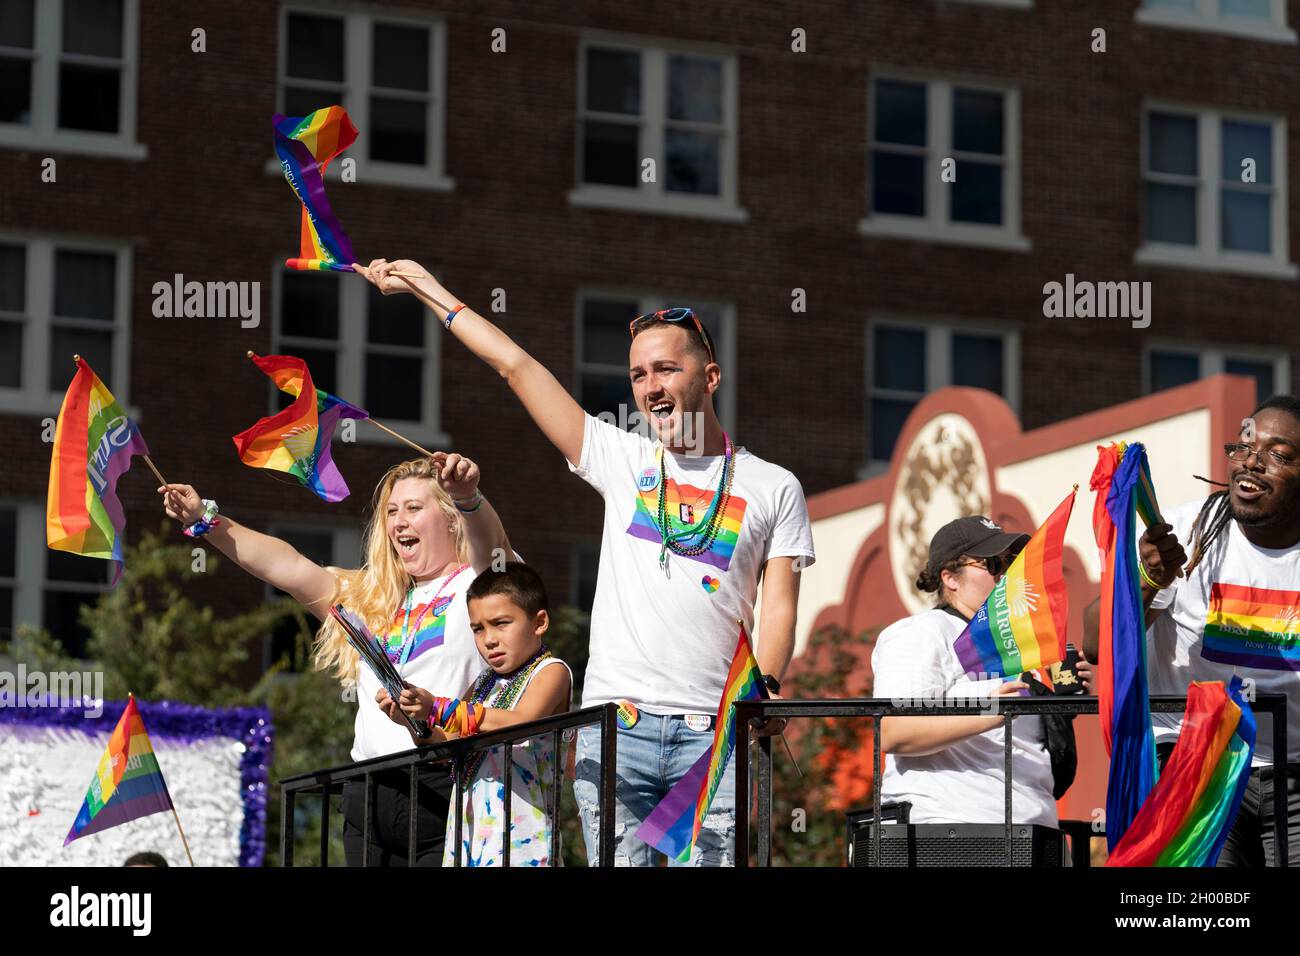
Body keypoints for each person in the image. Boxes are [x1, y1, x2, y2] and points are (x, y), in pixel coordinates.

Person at [354, 260, 816, 866]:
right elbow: (516, 368)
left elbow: (779, 603)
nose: (650, 386)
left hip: (715, 736)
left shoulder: (773, 485)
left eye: (667, 369)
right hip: (616, 730)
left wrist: (769, 691)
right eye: (638, 374)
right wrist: (426, 288)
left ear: (710, 376)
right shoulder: (621, 458)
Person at [159, 452, 511, 866]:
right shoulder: (371, 597)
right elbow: (285, 566)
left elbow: (492, 546)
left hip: (444, 782)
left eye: (415, 508)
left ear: (450, 519)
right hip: (368, 791)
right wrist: (205, 519)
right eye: (392, 511)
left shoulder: (480, 585)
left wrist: (469, 498)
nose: (399, 521)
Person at [1085, 395, 1300, 866]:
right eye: (1245, 447)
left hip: (1293, 767)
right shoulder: (1185, 531)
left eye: (1279, 455)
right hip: (1194, 759)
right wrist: (1146, 579)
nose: (1252, 463)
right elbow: (1095, 642)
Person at [871, 516, 1065, 826]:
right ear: (950, 578)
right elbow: (895, 731)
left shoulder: (1015, 646)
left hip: (1033, 830)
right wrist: (991, 712)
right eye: (991, 563)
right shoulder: (922, 632)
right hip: (949, 831)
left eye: (1009, 562)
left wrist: (1065, 698)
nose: (1004, 574)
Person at [379, 562, 572, 866]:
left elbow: (521, 722)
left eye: (501, 623)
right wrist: (411, 720)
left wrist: (439, 707)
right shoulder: (482, 684)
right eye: (478, 629)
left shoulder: (551, 672)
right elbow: (446, 747)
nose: (489, 639)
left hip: (524, 847)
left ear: (539, 622)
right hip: (469, 839)